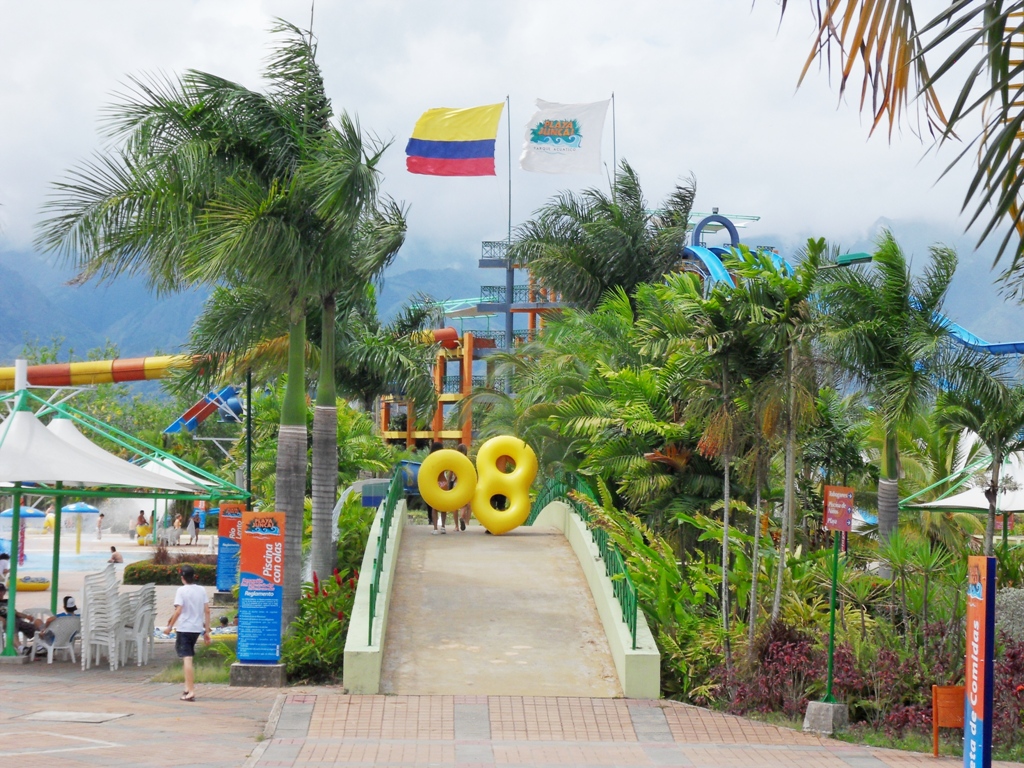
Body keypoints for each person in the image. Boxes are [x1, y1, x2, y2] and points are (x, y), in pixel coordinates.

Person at [165, 565, 210, 702]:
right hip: (196, 629)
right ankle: (186, 687)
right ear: (194, 576)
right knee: (189, 656)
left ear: (182, 578)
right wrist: (207, 631)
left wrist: (169, 626)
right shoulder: (201, 590)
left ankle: (191, 691)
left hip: (184, 628)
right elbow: (207, 611)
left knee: (187, 658)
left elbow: (178, 610)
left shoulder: (181, 591)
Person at [0, 583, 39, 651]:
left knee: (33, 627)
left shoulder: (7, 601)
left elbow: (15, 612)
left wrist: (26, 616)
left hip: (15, 619)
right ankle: (21, 648)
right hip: (6, 621)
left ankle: (39, 645)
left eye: (1, 591)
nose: (0, 593)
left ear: (4, 592)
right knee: (12, 628)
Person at [453, 444, 472, 532]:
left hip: (456, 483)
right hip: (464, 484)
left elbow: (450, 474)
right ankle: (462, 518)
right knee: (464, 504)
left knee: (455, 506)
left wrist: (449, 482)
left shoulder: (455, 461)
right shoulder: (467, 461)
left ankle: (456, 526)